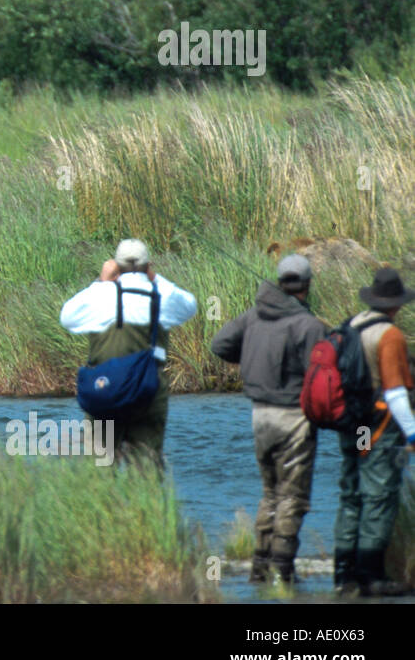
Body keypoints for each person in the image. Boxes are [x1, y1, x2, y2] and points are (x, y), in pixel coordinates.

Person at [210, 254, 327, 584]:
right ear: (306, 285)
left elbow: (219, 345)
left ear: (280, 282)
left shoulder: (252, 318)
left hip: (259, 416)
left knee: (271, 492)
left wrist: (247, 356)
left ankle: (260, 567)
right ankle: (282, 570)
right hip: (294, 418)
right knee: (293, 497)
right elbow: (325, 374)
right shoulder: (310, 325)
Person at [60, 239, 197, 466]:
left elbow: (67, 317)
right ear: (148, 265)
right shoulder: (160, 295)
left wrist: (101, 281)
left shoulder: (100, 295)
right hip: (147, 391)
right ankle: (144, 498)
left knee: (101, 467)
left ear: (116, 265)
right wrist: (155, 278)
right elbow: (190, 306)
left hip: (104, 388)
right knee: (146, 469)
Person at [333, 268, 415, 596]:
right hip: (375, 425)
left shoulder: (351, 324)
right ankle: (371, 576)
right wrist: (412, 433)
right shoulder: (390, 335)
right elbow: (394, 393)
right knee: (379, 495)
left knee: (352, 493)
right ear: (396, 304)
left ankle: (344, 576)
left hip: (352, 424)